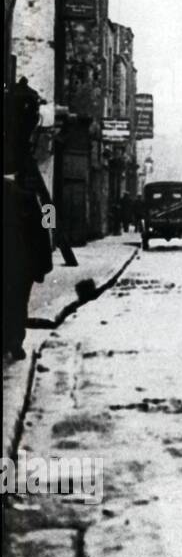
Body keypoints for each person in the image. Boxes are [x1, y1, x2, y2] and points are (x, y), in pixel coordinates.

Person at [2, 78, 55, 362]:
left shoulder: (24, 163)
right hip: (21, 249)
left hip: (19, 246)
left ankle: (12, 339)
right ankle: (13, 340)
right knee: (18, 297)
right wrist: (49, 239)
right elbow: (46, 210)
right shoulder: (26, 167)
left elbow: (47, 209)